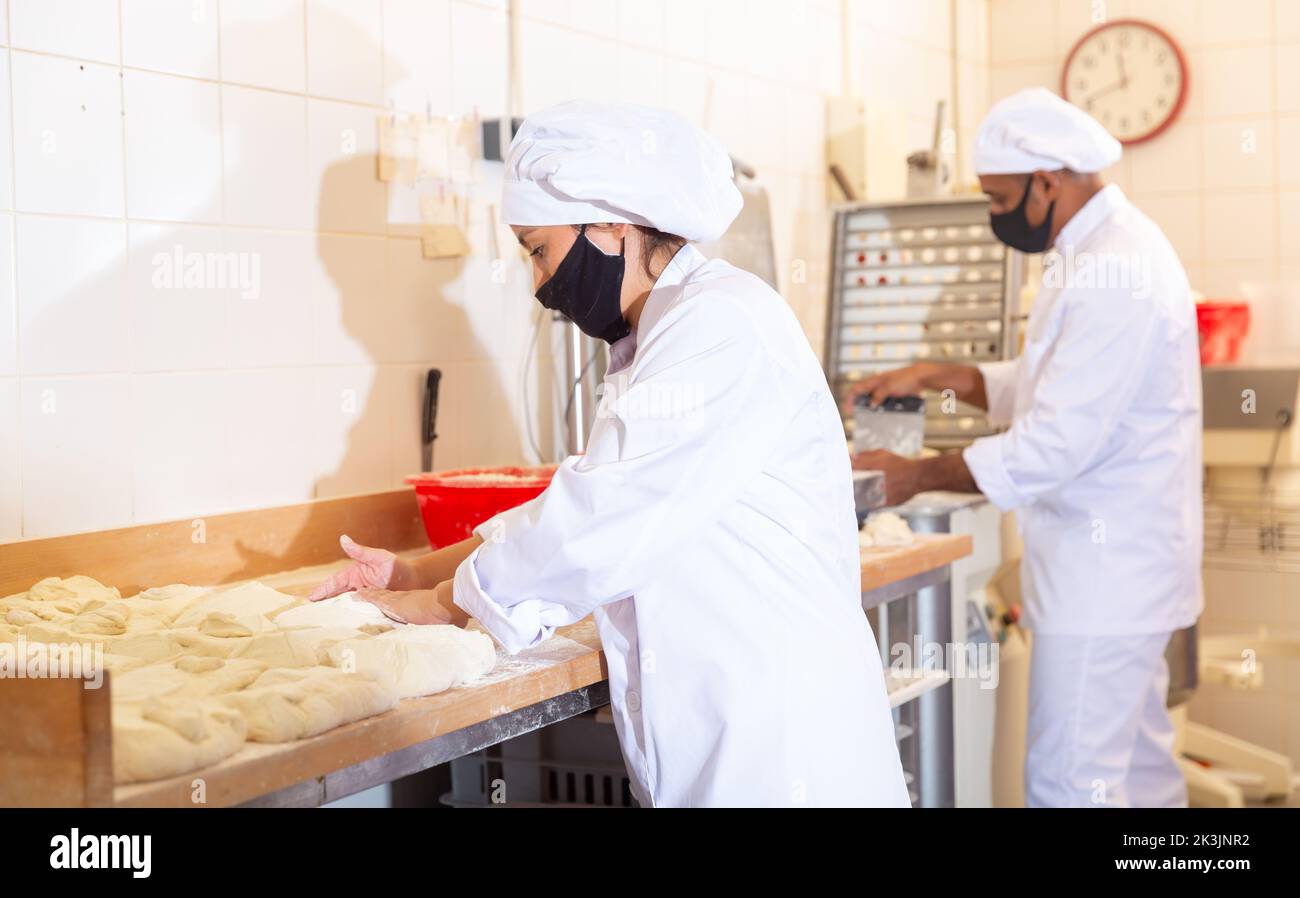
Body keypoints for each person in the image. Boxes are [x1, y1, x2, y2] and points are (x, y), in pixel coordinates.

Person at [310, 100, 909, 808]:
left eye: (539, 249)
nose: (538, 282)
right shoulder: (662, 337)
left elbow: (602, 519)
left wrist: (447, 603)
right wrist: (418, 568)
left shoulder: (720, 325)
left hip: (781, 760)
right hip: (739, 743)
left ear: (610, 225)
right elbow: (587, 497)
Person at [850, 88, 1202, 808]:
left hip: (1107, 581)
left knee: (1070, 784)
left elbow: (1055, 440)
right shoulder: (1094, 250)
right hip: (1117, 577)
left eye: (998, 197)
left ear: (1049, 180)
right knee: (1136, 777)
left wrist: (915, 476)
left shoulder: (1118, 269)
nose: (992, 215)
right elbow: (1049, 385)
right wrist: (941, 375)